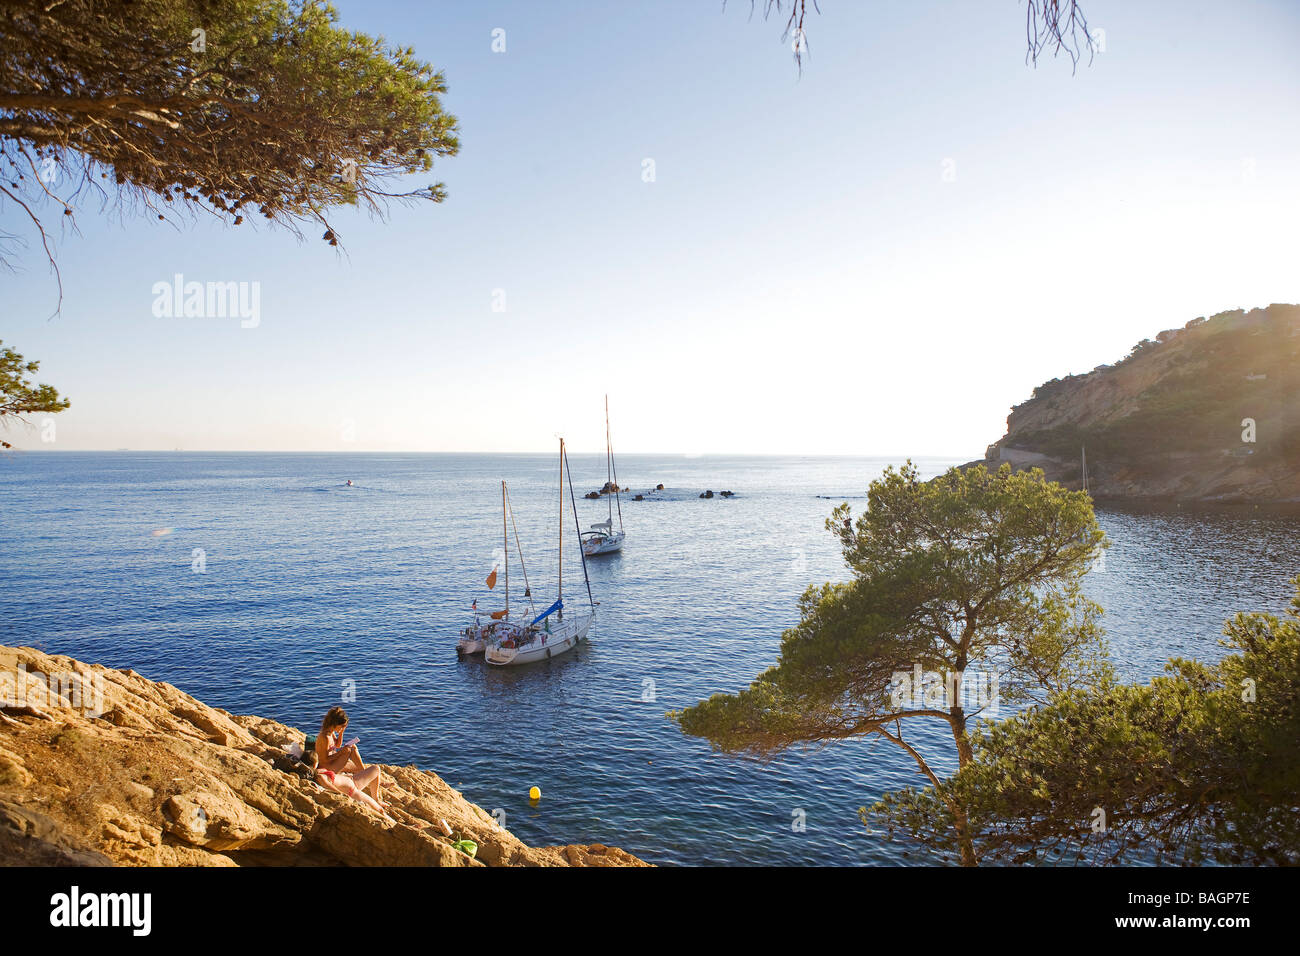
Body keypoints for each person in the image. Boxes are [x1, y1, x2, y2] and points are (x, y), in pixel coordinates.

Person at [303, 741, 393, 821]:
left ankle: (376, 799)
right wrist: (345, 796)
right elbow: (330, 787)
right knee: (380, 810)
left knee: (376, 769)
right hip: (352, 791)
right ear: (314, 763)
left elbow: (334, 778)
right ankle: (393, 824)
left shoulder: (320, 770)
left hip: (352, 780)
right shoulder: (319, 776)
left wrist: (345, 776)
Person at [314, 707, 386, 805]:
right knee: (351, 750)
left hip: (331, 763)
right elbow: (324, 760)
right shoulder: (325, 737)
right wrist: (342, 752)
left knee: (353, 751)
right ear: (335, 724)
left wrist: (341, 733)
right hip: (326, 767)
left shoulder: (331, 733)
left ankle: (368, 775)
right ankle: (367, 776)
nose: (342, 728)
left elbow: (337, 745)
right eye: (342, 726)